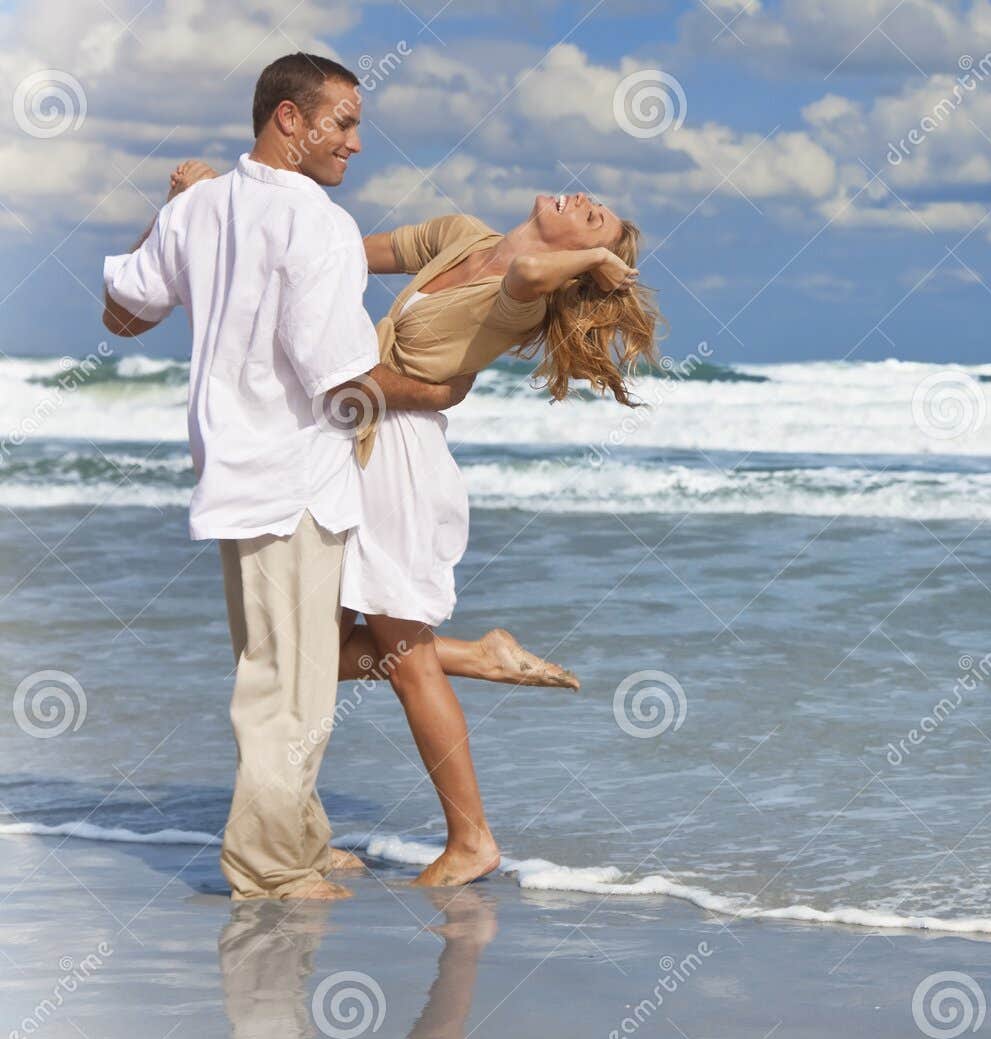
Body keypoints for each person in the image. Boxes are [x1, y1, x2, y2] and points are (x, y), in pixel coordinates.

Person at [161, 168, 664, 887]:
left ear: (581, 268)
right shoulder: (458, 235)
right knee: (315, 648)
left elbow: (524, 269)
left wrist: (590, 262)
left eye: (597, 222)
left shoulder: (523, 298)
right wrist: (223, 204)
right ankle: (474, 662)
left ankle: (472, 840)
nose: (586, 202)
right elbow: (331, 249)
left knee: (403, 662)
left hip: (401, 464)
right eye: (592, 208)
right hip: (345, 444)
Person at [101, 52, 471, 901]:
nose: (356, 142)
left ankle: (297, 840)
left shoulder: (201, 208)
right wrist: (438, 390)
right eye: (343, 122)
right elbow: (337, 379)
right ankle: (269, 869)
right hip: (293, 475)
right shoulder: (319, 224)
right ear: (289, 121)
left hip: (238, 471)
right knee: (285, 687)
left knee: (291, 669)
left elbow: (121, 313)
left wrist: (167, 217)